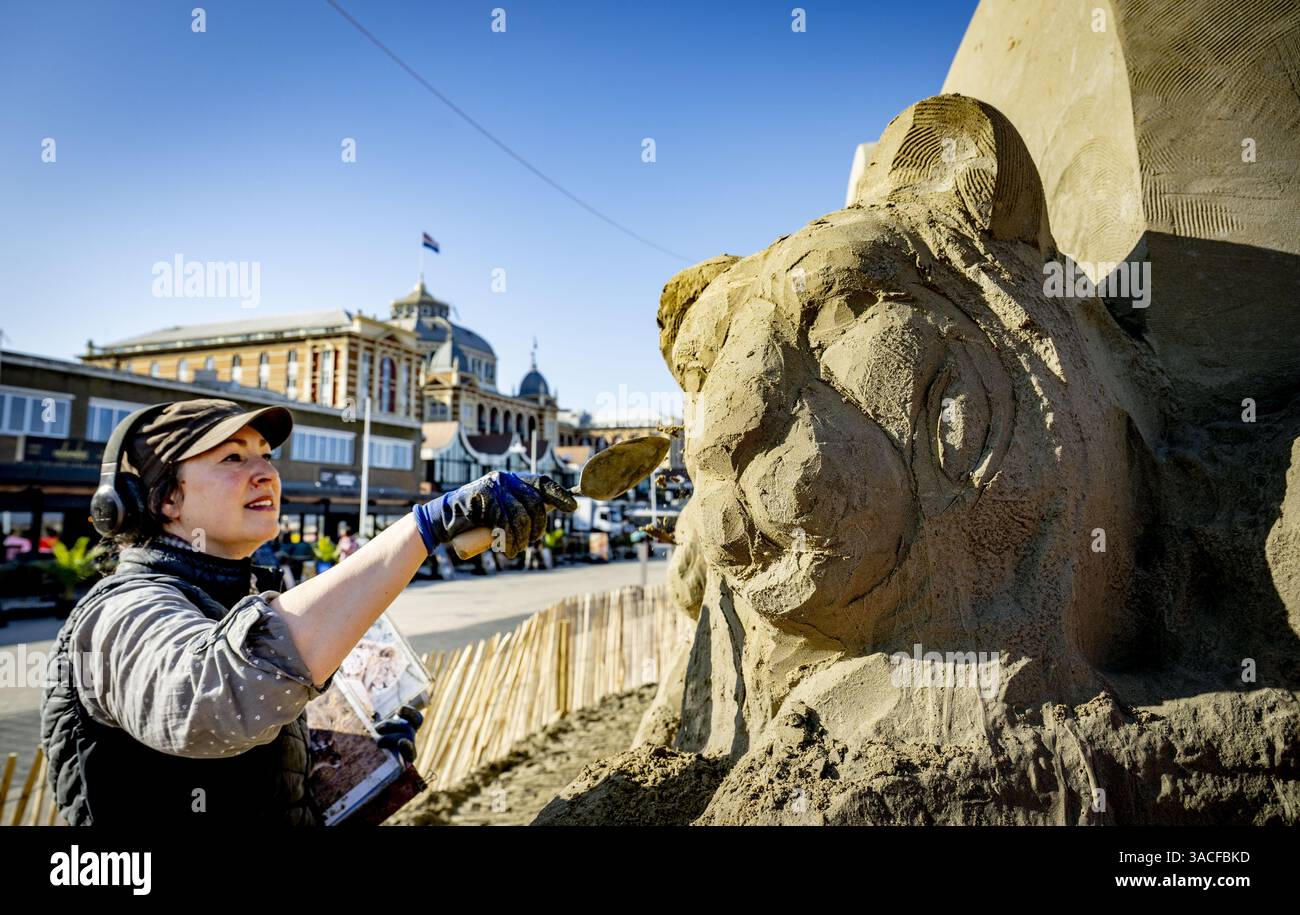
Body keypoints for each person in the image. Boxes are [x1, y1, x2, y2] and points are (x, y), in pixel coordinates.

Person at [39, 398, 574, 825]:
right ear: (163, 501)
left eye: (266, 455)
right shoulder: (122, 611)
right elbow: (214, 701)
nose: (264, 473)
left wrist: (349, 766)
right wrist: (423, 529)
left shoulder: (241, 595)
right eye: (233, 457)